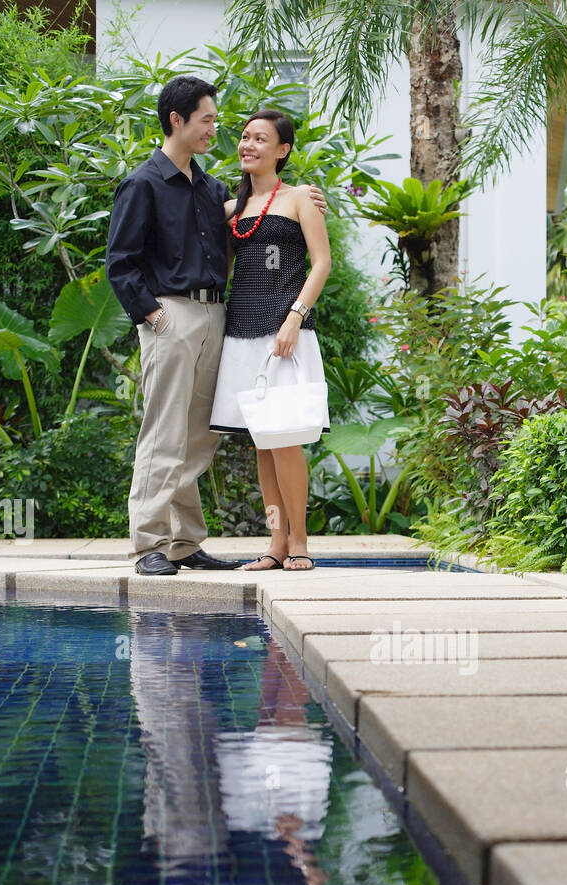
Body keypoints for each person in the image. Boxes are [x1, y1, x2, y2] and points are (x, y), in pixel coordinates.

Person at [106, 77, 327, 576]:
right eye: (207, 119)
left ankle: (185, 542)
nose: (216, 130)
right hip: (171, 316)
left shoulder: (213, 190)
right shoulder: (142, 183)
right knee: (164, 432)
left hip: (220, 319)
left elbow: (265, 220)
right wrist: (153, 314)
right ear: (177, 120)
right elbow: (120, 262)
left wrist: (304, 200)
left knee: (200, 436)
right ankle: (149, 546)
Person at [209, 109, 332, 571]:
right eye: (244, 137)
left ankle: (299, 542)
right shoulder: (230, 212)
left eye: (260, 139)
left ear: (282, 150)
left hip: (285, 335)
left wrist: (295, 317)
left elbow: (321, 263)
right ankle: (275, 542)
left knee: (285, 438)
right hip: (241, 333)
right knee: (261, 442)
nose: (248, 145)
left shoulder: (301, 199)